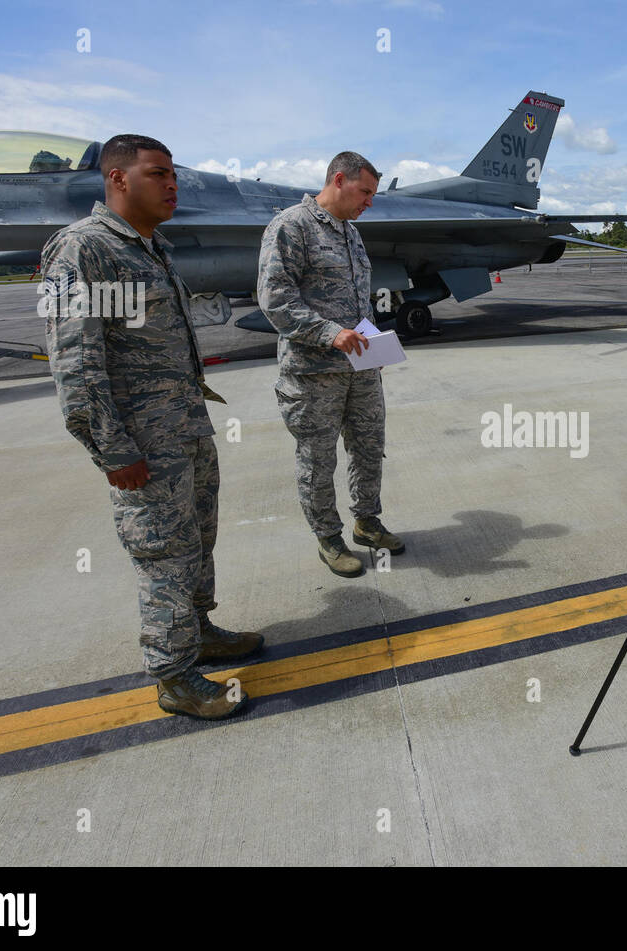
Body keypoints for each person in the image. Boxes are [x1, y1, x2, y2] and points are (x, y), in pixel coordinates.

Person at [42, 134, 263, 720]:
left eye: (173, 175)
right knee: (162, 551)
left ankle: (198, 631)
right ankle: (174, 675)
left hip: (183, 428)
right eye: (158, 174)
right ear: (117, 178)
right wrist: (111, 450)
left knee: (196, 539)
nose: (172, 185)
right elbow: (76, 364)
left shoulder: (149, 246)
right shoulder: (82, 250)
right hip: (142, 443)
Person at [257, 152, 404, 578]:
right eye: (365, 192)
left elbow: (358, 300)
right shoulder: (290, 226)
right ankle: (328, 537)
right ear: (339, 180)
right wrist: (329, 334)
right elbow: (275, 299)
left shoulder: (351, 233)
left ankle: (367, 523)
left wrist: (375, 346)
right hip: (312, 373)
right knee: (318, 460)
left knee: (369, 450)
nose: (370, 202)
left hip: (360, 369)